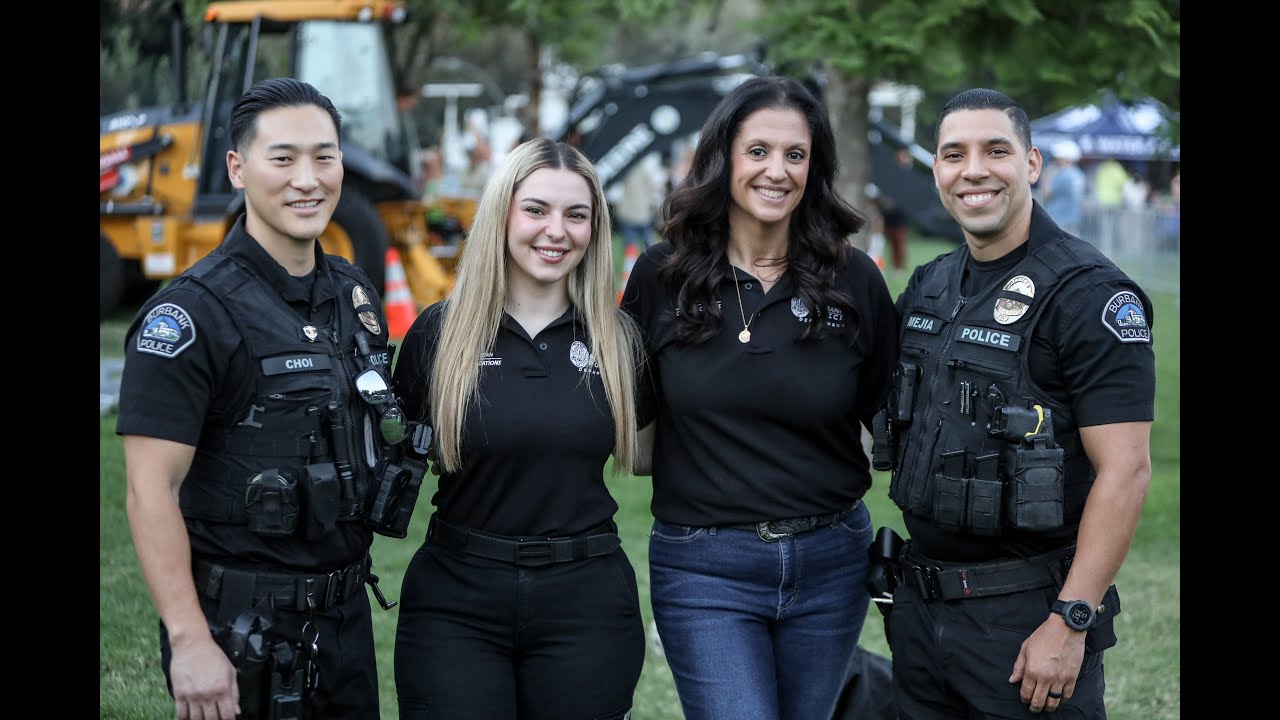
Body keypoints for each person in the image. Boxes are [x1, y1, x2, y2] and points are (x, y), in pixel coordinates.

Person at [118, 77, 414, 720]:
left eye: (324, 156)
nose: (307, 179)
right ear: (238, 168)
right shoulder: (191, 315)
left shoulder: (353, 295)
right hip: (238, 633)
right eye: (282, 158)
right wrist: (189, 640)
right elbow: (150, 492)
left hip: (344, 623)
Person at [619, 75, 900, 720]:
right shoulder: (663, 276)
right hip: (704, 567)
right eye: (758, 151)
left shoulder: (853, 279)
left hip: (833, 562)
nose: (777, 171)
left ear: (815, 168)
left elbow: (889, 415)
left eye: (795, 155)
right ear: (723, 159)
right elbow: (629, 418)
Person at [870, 88, 1154, 717]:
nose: (974, 170)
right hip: (920, 615)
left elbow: (1126, 469)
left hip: (1028, 624)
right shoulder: (930, 284)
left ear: (1031, 164)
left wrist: (1070, 620)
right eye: (954, 154)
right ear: (937, 170)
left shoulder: (1092, 295)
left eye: (995, 150)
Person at [391, 136, 655, 720]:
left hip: (586, 601)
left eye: (576, 215)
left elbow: (656, 454)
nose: (556, 231)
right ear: (501, 214)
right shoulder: (438, 334)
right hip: (456, 600)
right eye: (536, 209)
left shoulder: (620, 339)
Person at [1040, 140, 1086, 236]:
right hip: (1073, 218)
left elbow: (1047, 194)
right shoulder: (1078, 174)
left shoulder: (1062, 175)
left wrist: (1045, 177)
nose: (1056, 159)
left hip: (1057, 218)